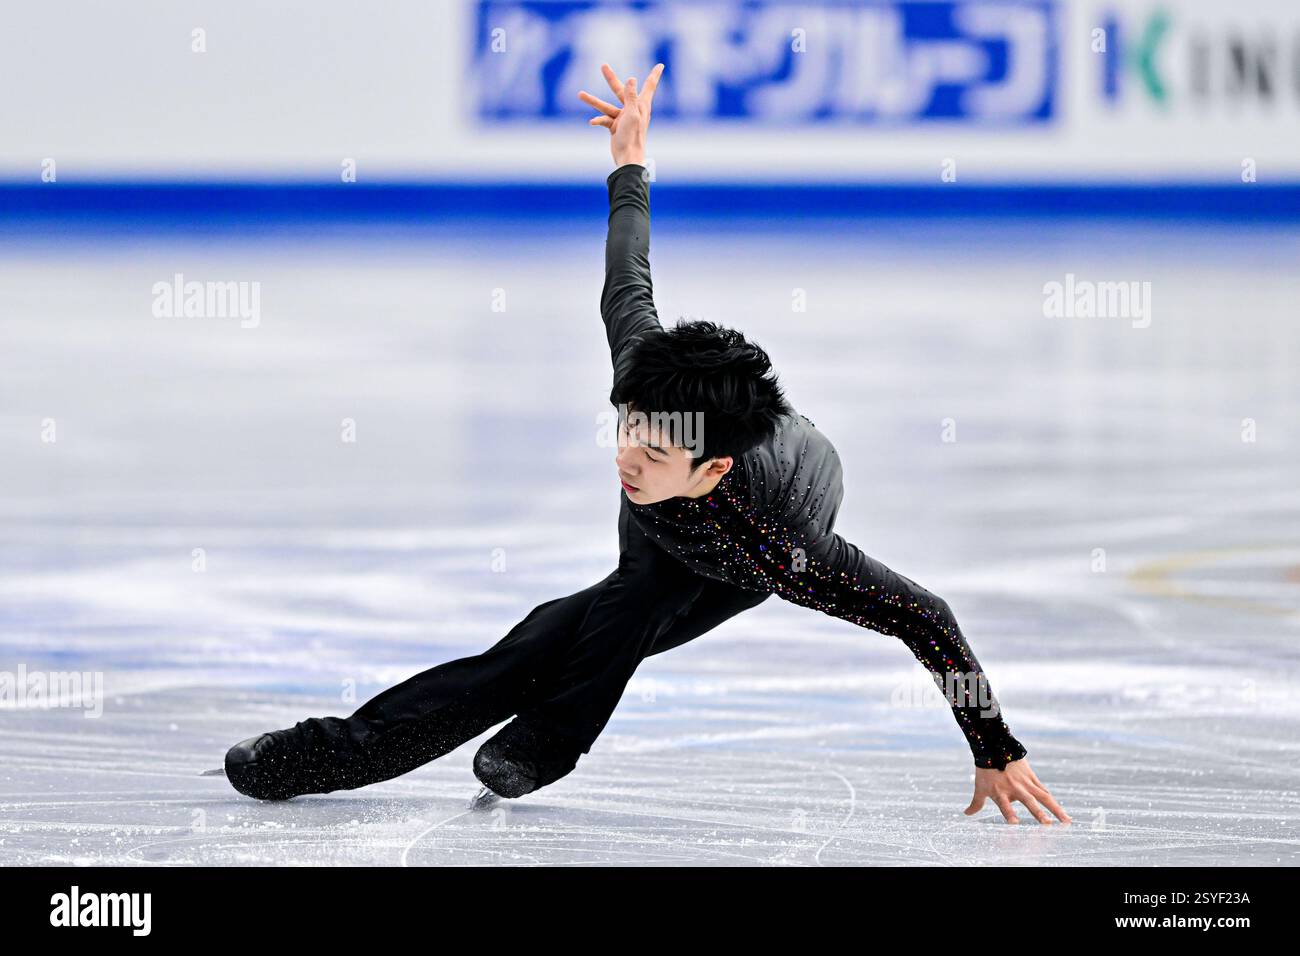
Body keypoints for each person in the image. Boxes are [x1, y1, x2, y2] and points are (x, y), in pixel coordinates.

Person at [223, 61, 1070, 826]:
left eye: (652, 451)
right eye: (624, 429)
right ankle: (328, 751)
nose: (625, 456)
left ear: (712, 464)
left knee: (618, 621)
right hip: (668, 527)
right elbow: (628, 269)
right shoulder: (648, 383)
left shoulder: (783, 548)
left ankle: (545, 743)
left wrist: (994, 745)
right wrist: (630, 161)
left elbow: (925, 617)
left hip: (742, 550)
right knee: (545, 642)